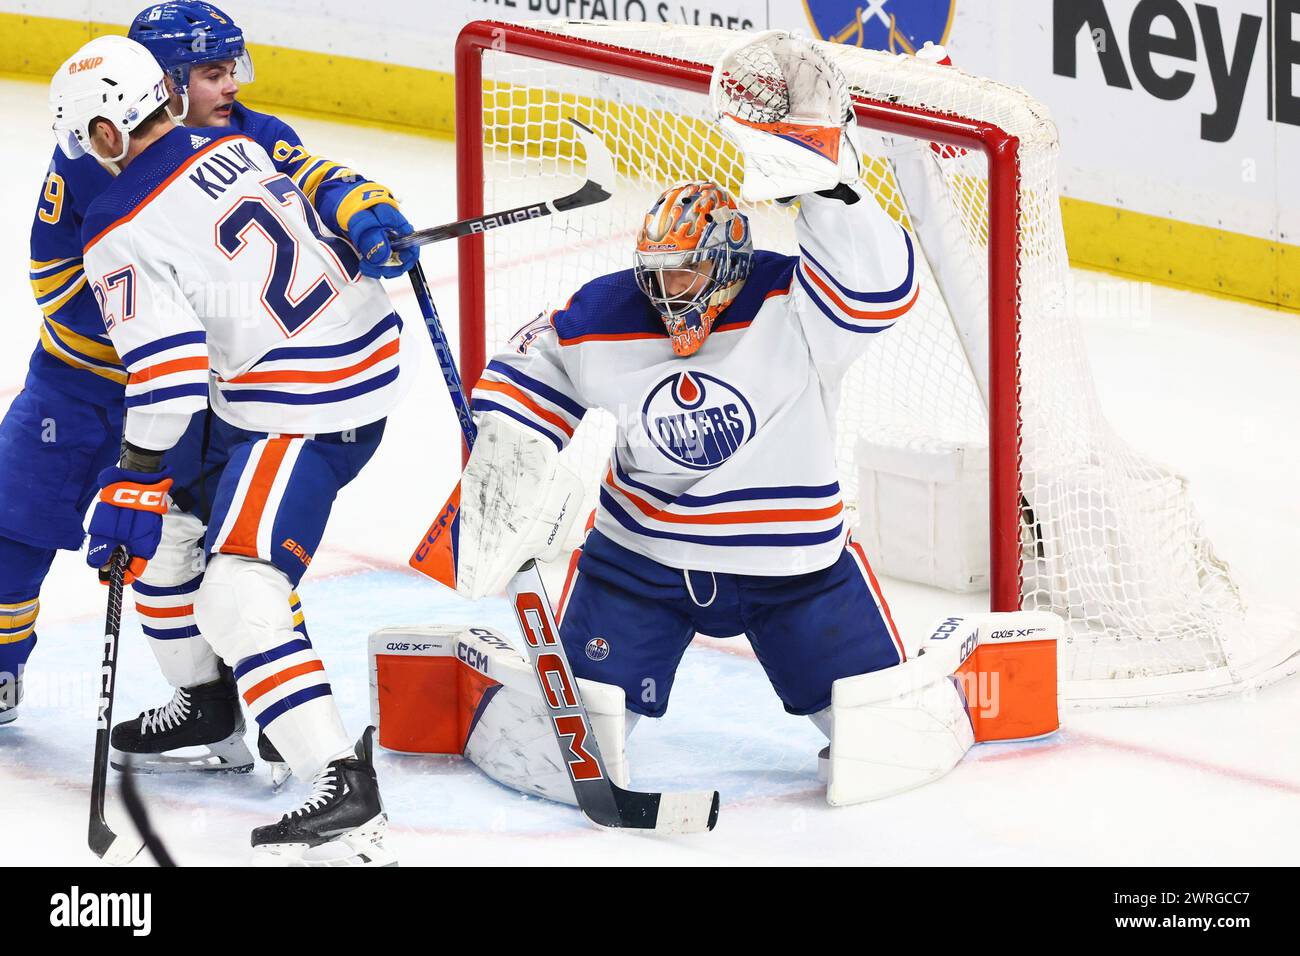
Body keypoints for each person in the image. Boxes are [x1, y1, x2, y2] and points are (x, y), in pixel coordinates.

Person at [3, 3, 414, 788]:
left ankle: (263, 714)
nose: (231, 86)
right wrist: (164, 325)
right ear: (160, 84)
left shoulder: (234, 129)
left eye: (233, 70)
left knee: (228, 560)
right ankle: (40, 676)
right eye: (212, 73)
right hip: (90, 382)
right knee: (15, 523)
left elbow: (310, 179)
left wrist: (355, 201)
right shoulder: (89, 168)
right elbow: (58, 281)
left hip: (219, 393)